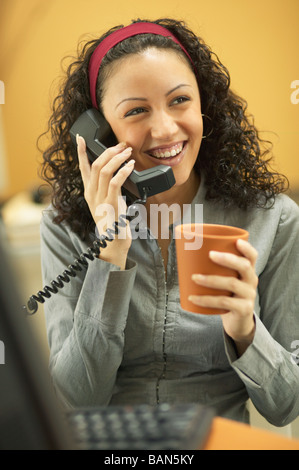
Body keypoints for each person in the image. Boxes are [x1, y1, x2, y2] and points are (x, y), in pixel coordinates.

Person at [39, 18, 299, 426]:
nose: (164, 129)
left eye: (180, 100)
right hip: (113, 445)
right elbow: (75, 399)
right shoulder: (65, 225)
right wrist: (110, 252)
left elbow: (286, 405)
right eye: (137, 110)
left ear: (204, 106)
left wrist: (246, 330)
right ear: (99, 133)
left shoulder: (273, 219)